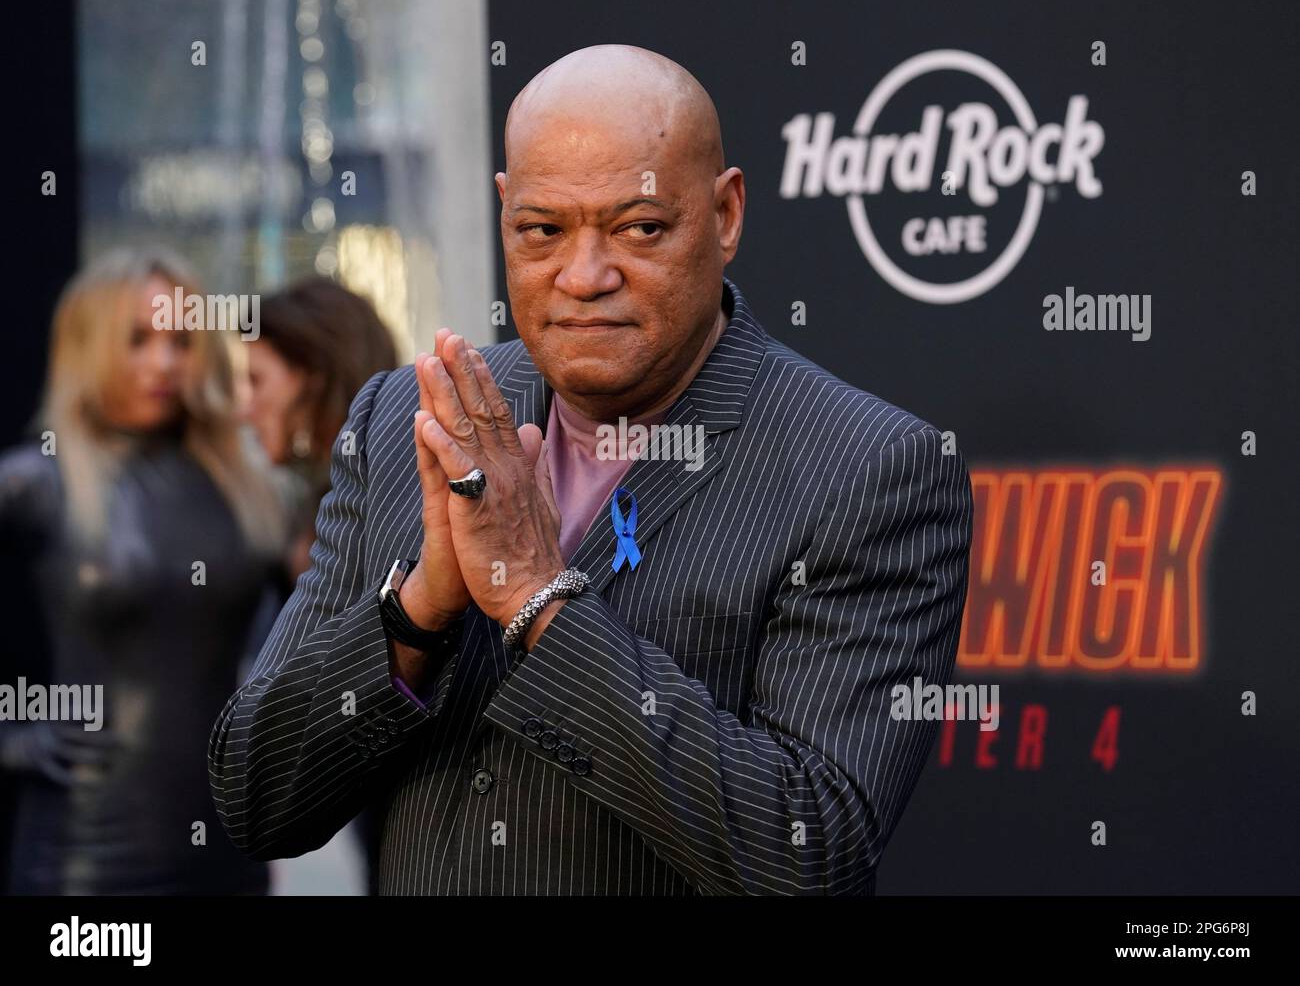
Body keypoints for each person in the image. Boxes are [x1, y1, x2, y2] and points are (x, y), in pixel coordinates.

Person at [210, 44, 973, 895]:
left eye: (640, 228)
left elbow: (806, 852)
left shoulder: (868, 470)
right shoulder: (402, 422)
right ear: (505, 213)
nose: (583, 276)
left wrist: (538, 595)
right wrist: (422, 607)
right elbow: (255, 796)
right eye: (543, 231)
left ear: (725, 214)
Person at [0, 248, 284, 894]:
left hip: (230, 863)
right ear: (87, 347)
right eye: (137, 340)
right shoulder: (39, 481)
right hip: (88, 866)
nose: (163, 362)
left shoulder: (237, 485)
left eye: (180, 340)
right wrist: (12, 740)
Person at [238, 276, 398, 893]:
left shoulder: (397, 494)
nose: (241, 407)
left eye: (256, 381)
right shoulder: (313, 508)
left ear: (310, 374)